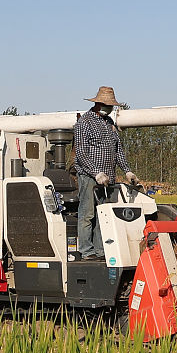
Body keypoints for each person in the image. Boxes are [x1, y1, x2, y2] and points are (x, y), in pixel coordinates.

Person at [73, 86, 138, 260]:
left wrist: (127, 171)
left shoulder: (109, 123)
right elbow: (81, 153)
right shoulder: (84, 123)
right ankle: (86, 251)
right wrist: (96, 173)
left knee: (103, 215)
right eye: (106, 105)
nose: (109, 108)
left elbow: (117, 151)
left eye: (110, 105)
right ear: (97, 104)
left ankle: (101, 250)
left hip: (108, 179)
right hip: (89, 176)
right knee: (87, 214)